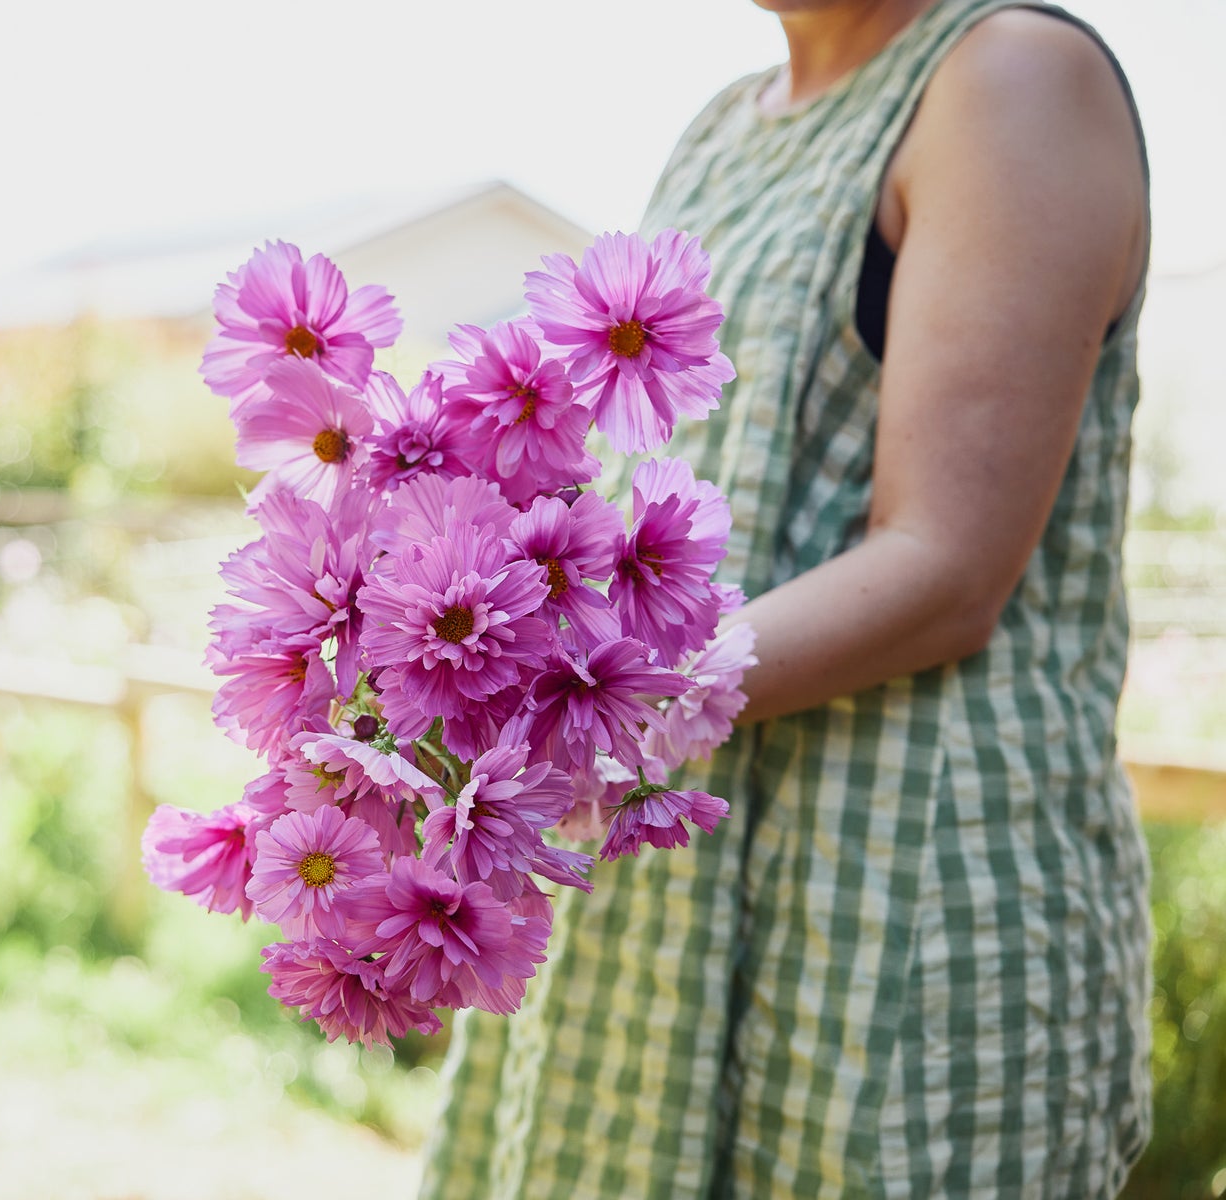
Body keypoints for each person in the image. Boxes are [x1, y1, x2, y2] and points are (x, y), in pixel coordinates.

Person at [419, 2, 1151, 1197]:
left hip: (897, 897)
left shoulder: (1012, 76)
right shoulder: (723, 130)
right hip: (666, 907)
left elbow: (945, 569)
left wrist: (577, 705)